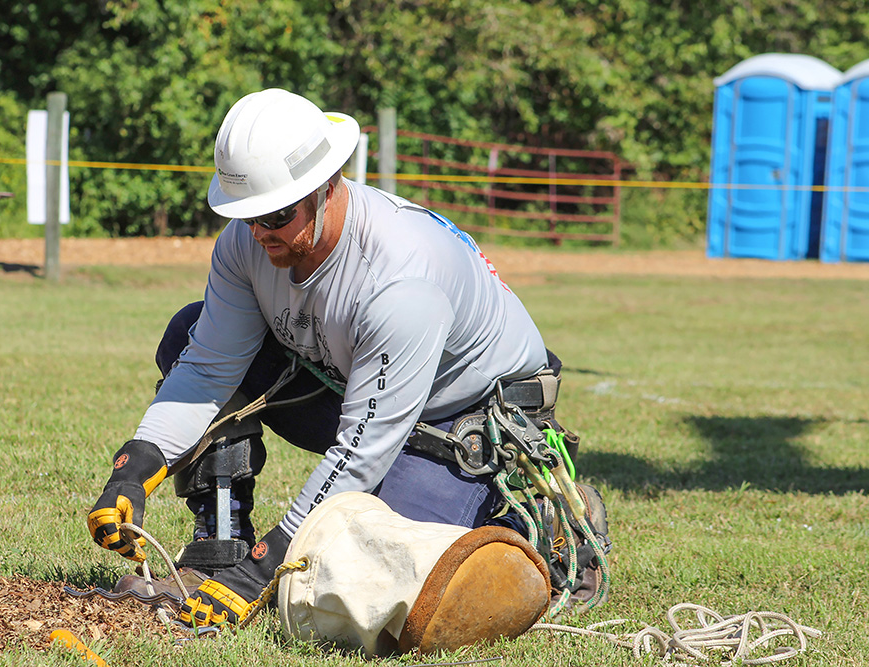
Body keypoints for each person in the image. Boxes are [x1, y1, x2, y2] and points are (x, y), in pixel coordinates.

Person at [87, 88, 606, 629]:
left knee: (379, 580)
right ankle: (219, 552)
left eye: (277, 215)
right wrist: (138, 461)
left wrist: (267, 568)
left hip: (460, 421)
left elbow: (359, 453)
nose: (261, 233)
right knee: (188, 331)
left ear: (327, 187)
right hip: (352, 380)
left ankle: (544, 525)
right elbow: (209, 365)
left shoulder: (400, 279)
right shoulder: (246, 243)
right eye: (249, 217)